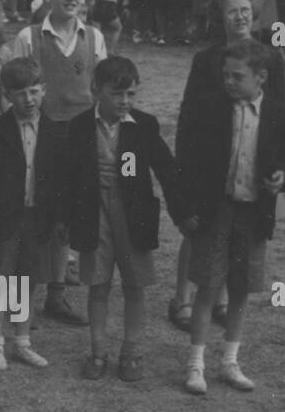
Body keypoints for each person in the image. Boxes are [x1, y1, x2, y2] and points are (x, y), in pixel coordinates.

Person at [177, 39, 285, 395]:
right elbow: (190, 160)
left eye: (237, 76)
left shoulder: (279, 113)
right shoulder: (211, 109)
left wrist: (282, 175)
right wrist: (189, 208)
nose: (228, 82)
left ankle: (230, 361)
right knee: (207, 286)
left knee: (241, 289)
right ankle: (195, 364)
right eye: (225, 75)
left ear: (261, 77)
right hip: (217, 212)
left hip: (253, 213)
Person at [57, 57, 193, 383]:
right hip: (93, 214)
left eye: (131, 94)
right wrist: (62, 220)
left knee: (134, 286)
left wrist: (183, 213)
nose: (125, 101)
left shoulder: (144, 125)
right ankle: (98, 351)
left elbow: (167, 170)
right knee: (99, 285)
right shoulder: (78, 127)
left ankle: (131, 351)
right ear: (96, 91)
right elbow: (65, 178)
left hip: (133, 215)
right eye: (117, 94)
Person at [9, 0, 107, 325]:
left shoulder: (94, 38)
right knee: (37, 213)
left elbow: (101, 87)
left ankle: (56, 296)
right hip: (40, 135)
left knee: (66, 214)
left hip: (79, 136)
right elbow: (17, 86)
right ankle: (25, 301)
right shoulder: (28, 36)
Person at [0, 57, 57, 371]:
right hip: (4, 218)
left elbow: (56, 178)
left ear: (44, 90)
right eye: (19, 93)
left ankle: (22, 341)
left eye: (34, 91)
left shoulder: (52, 129)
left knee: (27, 280)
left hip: (37, 216)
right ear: (6, 94)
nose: (28, 99)